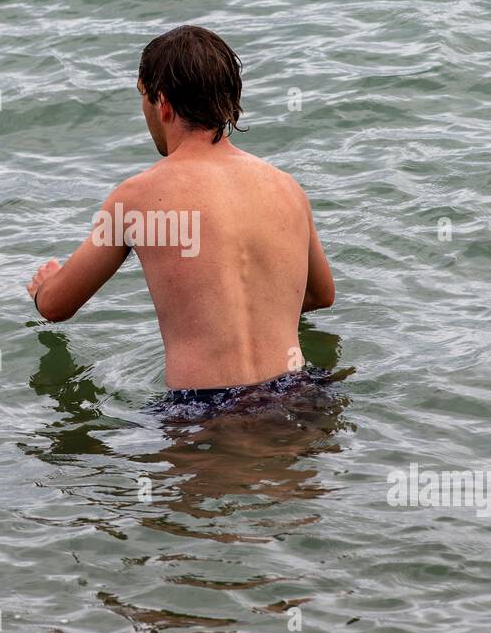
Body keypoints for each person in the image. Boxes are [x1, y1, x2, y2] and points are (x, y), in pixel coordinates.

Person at [26, 25, 335, 411]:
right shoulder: (287, 188)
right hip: (299, 394)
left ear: (163, 103)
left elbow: (57, 306)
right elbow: (321, 296)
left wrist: (43, 288)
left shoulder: (135, 198)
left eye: (143, 97)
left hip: (203, 410)